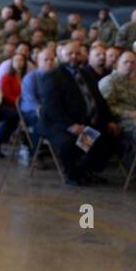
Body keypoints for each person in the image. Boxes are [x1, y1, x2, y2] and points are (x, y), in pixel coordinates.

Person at [39, 40, 120, 185]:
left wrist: (110, 119)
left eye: (77, 53)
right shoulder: (52, 76)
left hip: (85, 122)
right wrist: (70, 125)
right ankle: (72, 174)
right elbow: (52, 108)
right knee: (70, 142)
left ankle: (85, 170)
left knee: (109, 136)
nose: (73, 57)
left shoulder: (86, 73)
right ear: (60, 54)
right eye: (69, 53)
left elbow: (99, 100)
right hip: (58, 124)